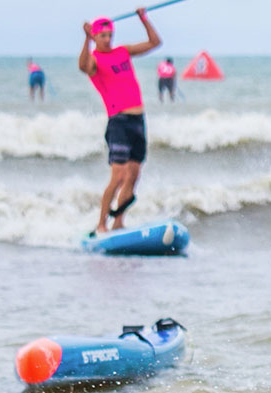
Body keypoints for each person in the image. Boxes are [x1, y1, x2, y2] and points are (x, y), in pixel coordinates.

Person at [78, 10, 162, 235]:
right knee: (118, 176)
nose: (107, 39)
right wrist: (86, 39)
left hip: (138, 120)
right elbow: (83, 67)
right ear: (95, 37)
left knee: (133, 176)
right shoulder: (94, 59)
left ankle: (119, 222)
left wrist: (143, 18)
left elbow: (155, 42)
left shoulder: (123, 51)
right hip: (119, 122)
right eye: (102, 35)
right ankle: (101, 224)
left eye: (109, 34)